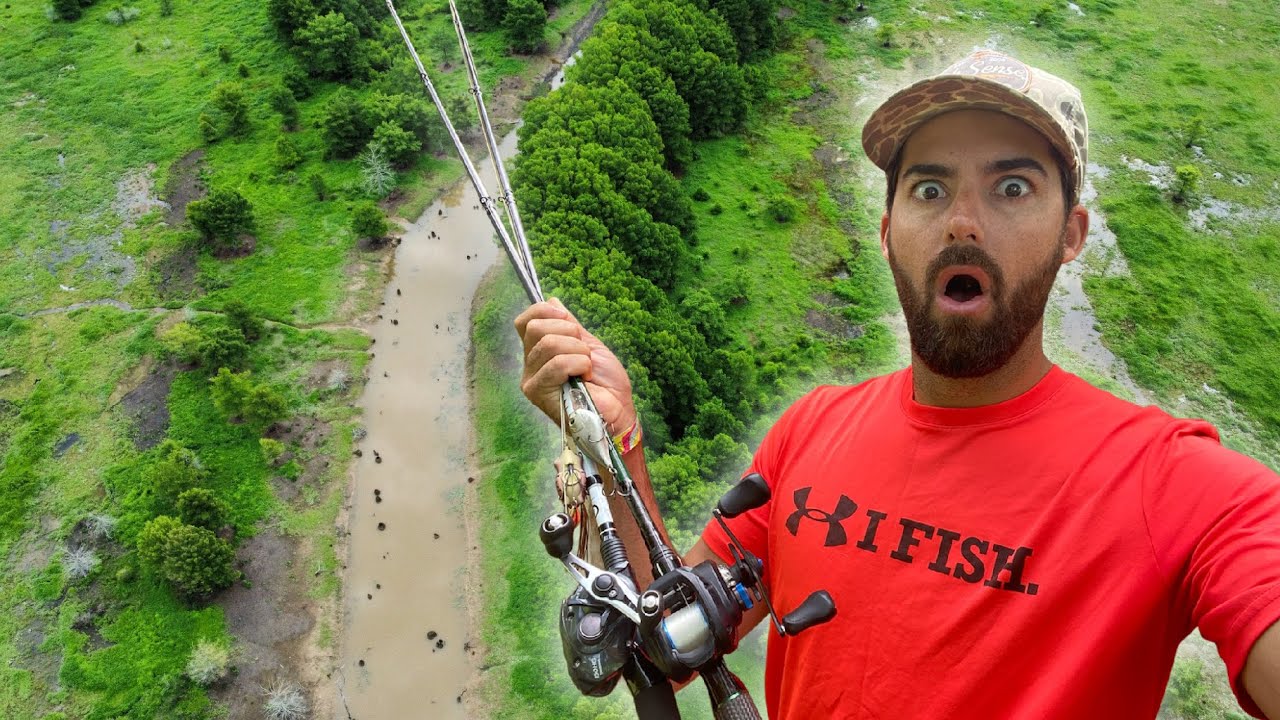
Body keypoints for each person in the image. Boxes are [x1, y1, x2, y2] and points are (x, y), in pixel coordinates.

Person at [514, 48, 1280, 718]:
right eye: (929, 189)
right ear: (888, 234)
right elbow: (669, 643)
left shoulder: (1175, 485)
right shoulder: (810, 430)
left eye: (1012, 188)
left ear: (1070, 234)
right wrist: (614, 440)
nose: (963, 223)